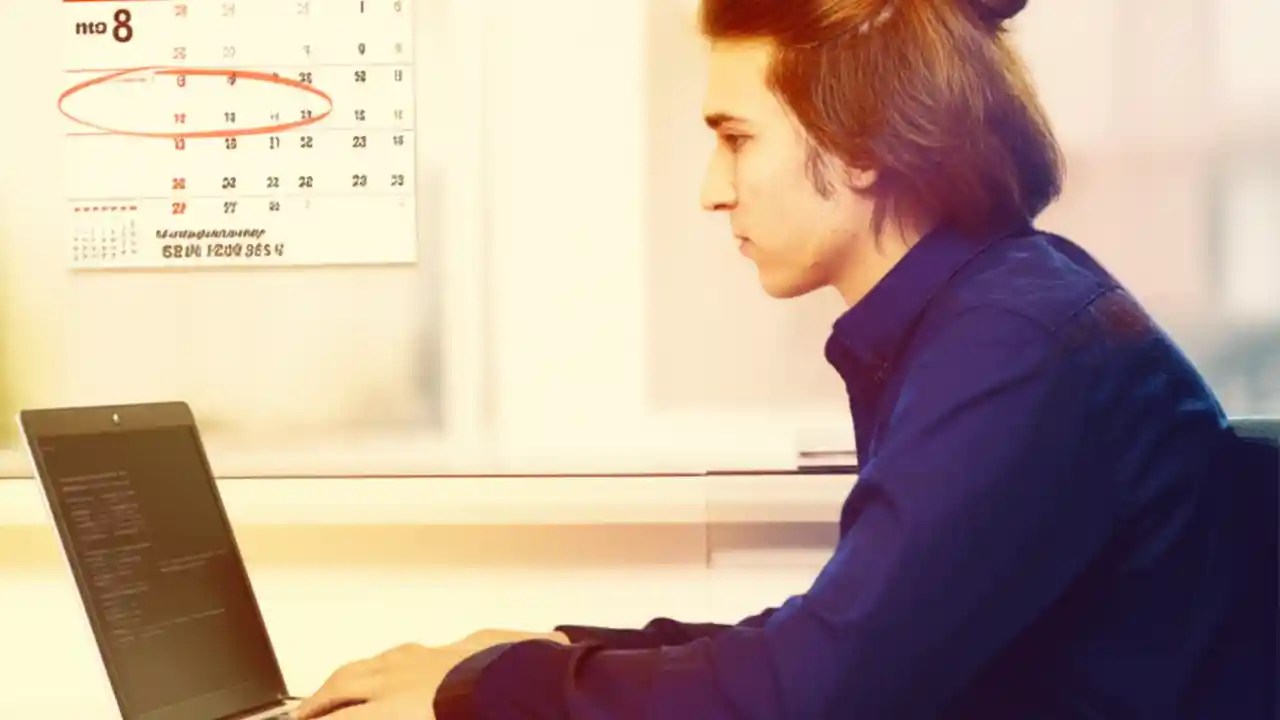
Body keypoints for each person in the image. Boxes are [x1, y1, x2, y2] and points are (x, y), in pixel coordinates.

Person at [293, 0, 1277, 717]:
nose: (710, 191)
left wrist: (486, 691)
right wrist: (548, 654)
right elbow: (847, 635)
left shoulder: (1009, 346)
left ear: (858, 143)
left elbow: (820, 689)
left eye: (733, 138)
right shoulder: (985, 311)